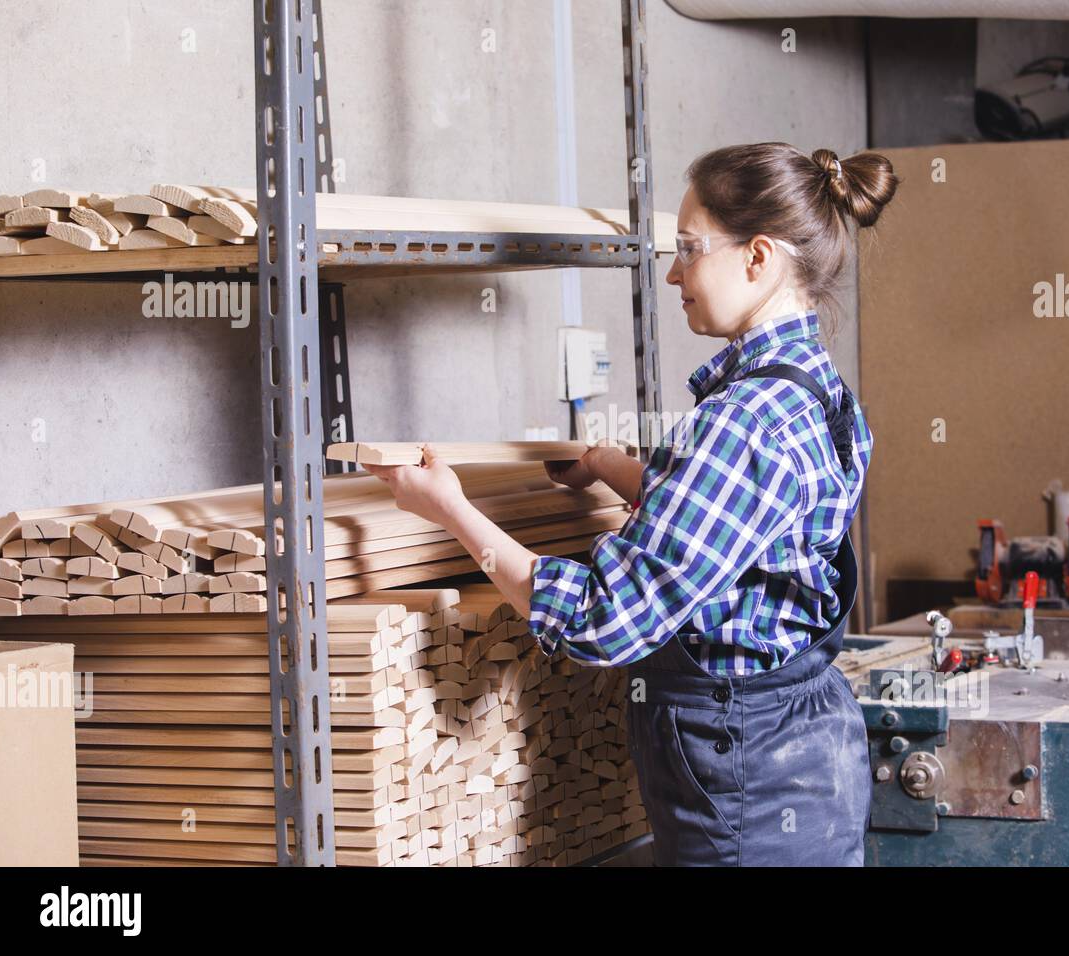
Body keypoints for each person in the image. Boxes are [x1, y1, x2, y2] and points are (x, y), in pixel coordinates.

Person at [364, 142, 897, 866]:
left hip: (747, 774)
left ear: (758, 257)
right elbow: (751, 533)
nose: (674, 274)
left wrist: (453, 511)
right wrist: (617, 468)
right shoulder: (821, 393)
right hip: (811, 750)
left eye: (688, 250)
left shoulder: (742, 422)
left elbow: (603, 620)